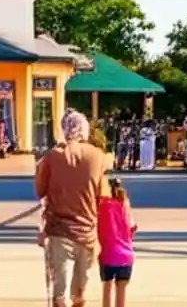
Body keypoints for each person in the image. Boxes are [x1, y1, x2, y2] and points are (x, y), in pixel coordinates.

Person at [35, 109, 109, 307]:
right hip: (87, 232)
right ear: (84, 130)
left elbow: (40, 190)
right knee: (80, 293)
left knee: (59, 292)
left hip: (58, 231)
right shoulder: (98, 156)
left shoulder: (51, 157)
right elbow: (103, 194)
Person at [97, 178, 137, 307]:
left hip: (107, 254)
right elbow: (133, 227)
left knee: (106, 287)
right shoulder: (125, 204)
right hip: (125, 255)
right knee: (121, 290)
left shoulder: (101, 205)